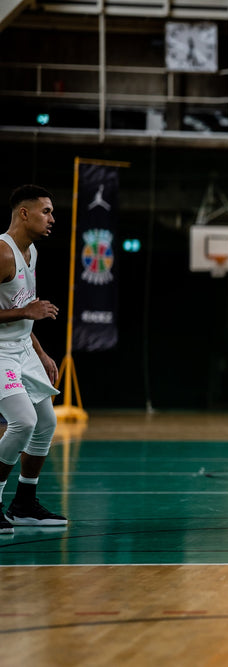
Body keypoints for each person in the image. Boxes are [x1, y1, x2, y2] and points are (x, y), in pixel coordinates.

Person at [0, 185, 64, 535]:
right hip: (0, 353)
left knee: (45, 423)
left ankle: (24, 503)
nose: (52, 218)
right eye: (46, 211)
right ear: (24, 213)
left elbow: (22, 312)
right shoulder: (2, 252)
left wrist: (40, 352)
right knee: (22, 422)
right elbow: (23, 309)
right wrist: (27, 311)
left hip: (23, 348)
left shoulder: (32, 252)